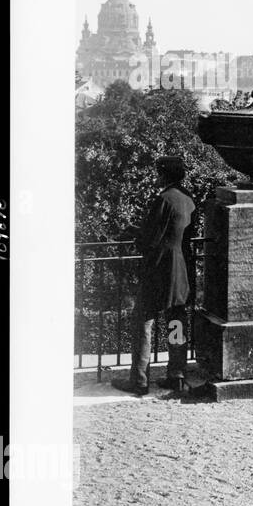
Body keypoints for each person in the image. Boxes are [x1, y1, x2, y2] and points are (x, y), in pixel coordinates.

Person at [111, 155, 196, 395]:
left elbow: (151, 239)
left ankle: (139, 380)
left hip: (159, 270)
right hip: (180, 272)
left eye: (159, 172)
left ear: (164, 174)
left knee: (143, 321)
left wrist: (134, 233)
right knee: (176, 322)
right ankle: (177, 375)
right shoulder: (188, 199)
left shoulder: (163, 199)